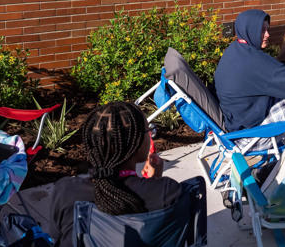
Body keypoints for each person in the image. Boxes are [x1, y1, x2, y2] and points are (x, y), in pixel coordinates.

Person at [47, 102, 192, 247]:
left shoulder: (65, 191)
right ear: (136, 142)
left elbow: (56, 237)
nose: (150, 135)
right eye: (149, 131)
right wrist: (155, 182)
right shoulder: (168, 192)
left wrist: (154, 181)